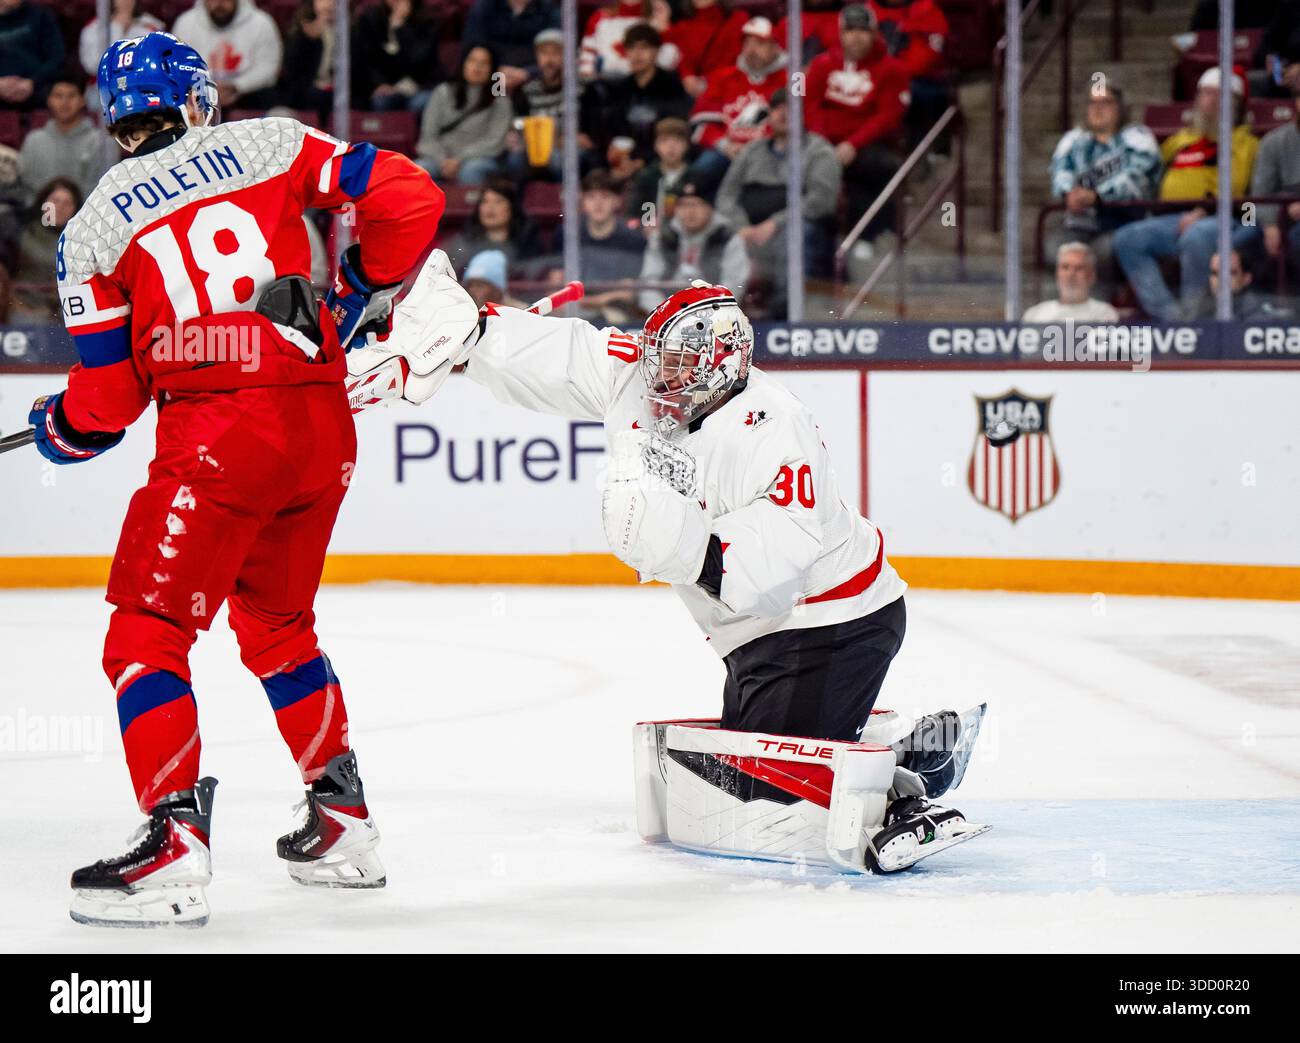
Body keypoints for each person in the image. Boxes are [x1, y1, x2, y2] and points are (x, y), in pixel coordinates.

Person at [360, 273, 988, 873]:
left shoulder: (774, 429)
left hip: (831, 624)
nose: (658, 376)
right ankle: (900, 740)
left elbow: (775, 572)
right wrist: (469, 334)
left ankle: (904, 797)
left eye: (677, 364)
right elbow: (565, 353)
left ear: (723, 362)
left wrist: (683, 549)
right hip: (756, 637)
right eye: (657, 358)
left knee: (762, 801)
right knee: (737, 773)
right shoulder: (647, 371)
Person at [31, 30, 442, 927]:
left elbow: (110, 399)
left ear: (115, 120)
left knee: (144, 633)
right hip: (319, 427)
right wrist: (357, 290)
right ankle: (343, 823)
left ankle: (174, 842)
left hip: (218, 435)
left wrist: (61, 430)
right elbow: (412, 196)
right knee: (278, 624)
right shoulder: (272, 140)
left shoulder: (94, 222)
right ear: (197, 98)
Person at [1113, 67, 1261, 322]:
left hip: (1226, 219)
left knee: (1196, 237)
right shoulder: (1179, 141)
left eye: (1219, 95)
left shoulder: (1245, 143)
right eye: (1205, 94)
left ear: (1235, 104)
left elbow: (1241, 191)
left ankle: (1195, 320)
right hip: (1173, 217)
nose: (1211, 101)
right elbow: (1155, 179)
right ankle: (1171, 318)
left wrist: (1203, 212)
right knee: (1128, 238)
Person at [715, 87, 841, 315]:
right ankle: (717, 312)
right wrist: (741, 227)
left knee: (795, 235)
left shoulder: (819, 150)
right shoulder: (751, 151)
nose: (783, 115)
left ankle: (785, 312)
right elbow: (726, 195)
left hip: (796, 227)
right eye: (777, 109)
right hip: (747, 228)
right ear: (769, 115)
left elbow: (821, 200)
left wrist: (775, 223)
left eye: (790, 110)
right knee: (714, 229)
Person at [804, 4, 909, 249]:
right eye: (850, 30)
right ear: (841, 34)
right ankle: (818, 236)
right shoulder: (822, 64)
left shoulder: (892, 69)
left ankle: (869, 235)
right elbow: (809, 105)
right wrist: (821, 142)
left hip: (867, 142)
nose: (856, 36)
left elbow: (888, 115)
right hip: (823, 142)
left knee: (878, 167)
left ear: (874, 33)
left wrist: (853, 144)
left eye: (863, 30)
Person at [1046, 81, 1160, 287]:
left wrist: (1098, 196)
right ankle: (1064, 314)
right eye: (1092, 103)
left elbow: (1138, 178)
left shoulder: (1137, 137)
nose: (1098, 109)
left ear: (1120, 107)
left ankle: (1100, 314)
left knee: (1101, 255)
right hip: (1079, 224)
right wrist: (1068, 193)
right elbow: (1059, 172)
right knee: (1056, 251)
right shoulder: (1074, 140)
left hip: (1124, 222)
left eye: (1106, 102)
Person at [689, 16, 789, 183]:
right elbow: (701, 121)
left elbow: (801, 120)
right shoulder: (723, 77)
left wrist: (762, 147)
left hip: (772, 151)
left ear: (776, 47)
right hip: (728, 150)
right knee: (696, 175)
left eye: (760, 44)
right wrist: (725, 145)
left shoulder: (793, 78)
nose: (751, 49)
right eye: (747, 43)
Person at [581, 24, 691, 175]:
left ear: (657, 51)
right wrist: (613, 151)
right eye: (631, 48)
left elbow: (677, 133)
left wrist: (642, 161)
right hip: (623, 159)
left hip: (659, 159)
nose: (637, 55)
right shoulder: (619, 89)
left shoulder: (672, 87)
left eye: (644, 48)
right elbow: (612, 129)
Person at [638, 179, 748, 312]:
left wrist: (703, 314)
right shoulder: (662, 237)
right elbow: (648, 284)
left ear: (710, 207)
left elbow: (734, 285)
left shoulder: (727, 237)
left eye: (697, 204)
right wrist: (666, 314)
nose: (690, 211)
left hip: (715, 314)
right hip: (667, 314)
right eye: (684, 205)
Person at [416, 45, 512, 185]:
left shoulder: (500, 100)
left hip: (479, 158)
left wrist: (459, 159)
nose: (477, 67)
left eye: (484, 63)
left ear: (493, 69)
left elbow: (495, 141)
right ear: (463, 64)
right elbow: (428, 137)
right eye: (472, 60)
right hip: (441, 158)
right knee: (418, 169)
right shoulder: (443, 92)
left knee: (471, 170)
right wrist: (443, 160)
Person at [173, 0, 284, 112]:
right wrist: (206, 88)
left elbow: (268, 69)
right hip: (197, 94)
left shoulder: (262, 23)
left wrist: (236, 86)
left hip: (248, 95)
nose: (219, 4)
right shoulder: (185, 23)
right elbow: (177, 66)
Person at [17, 75, 111, 203]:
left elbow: (104, 189)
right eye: (58, 96)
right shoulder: (33, 140)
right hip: (39, 217)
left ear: (82, 100)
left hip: (88, 217)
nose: (65, 102)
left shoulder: (101, 142)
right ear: (49, 100)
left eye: (71, 96)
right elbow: (26, 187)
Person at [1250, 83, 1300, 294]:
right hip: (1269, 215)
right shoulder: (1273, 141)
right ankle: (1249, 311)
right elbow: (1257, 195)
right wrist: (1270, 224)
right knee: (1238, 236)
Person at [353, 0, 441, 113]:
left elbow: (418, 61)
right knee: (381, 101)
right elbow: (368, 59)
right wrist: (380, 84)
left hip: (420, 85)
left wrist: (400, 28)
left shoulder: (427, 19)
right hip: (389, 85)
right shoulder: (372, 18)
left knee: (418, 104)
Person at [444, 176, 543, 275]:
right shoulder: (462, 243)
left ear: (512, 208)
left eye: (498, 201)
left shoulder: (528, 244)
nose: (490, 207)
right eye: (484, 202)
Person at [506, 28, 566, 181]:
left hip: (565, 147)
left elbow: (589, 130)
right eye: (544, 53)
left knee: (558, 159)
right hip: (533, 147)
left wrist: (574, 138)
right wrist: (517, 133)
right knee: (515, 159)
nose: (549, 60)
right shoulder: (527, 89)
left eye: (555, 53)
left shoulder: (581, 88)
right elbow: (518, 120)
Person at [664, 0, 748, 96]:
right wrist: (687, 76)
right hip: (692, 93)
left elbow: (733, 60)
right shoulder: (685, 26)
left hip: (726, 90)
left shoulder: (738, 19)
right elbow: (684, 57)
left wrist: (707, 80)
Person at [463, 0, 559, 83]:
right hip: (491, 79)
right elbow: (472, 47)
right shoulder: (485, 7)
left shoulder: (548, 10)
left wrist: (528, 73)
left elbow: (559, 53)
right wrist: (495, 71)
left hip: (535, 79)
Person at [1022, 242, 1120, 323]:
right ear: (1057, 273)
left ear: (1091, 276)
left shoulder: (1105, 314)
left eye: (1079, 268)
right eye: (1065, 267)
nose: (1071, 274)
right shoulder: (1034, 315)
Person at [579, 0, 677, 81]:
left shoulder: (658, 15)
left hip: (649, 88)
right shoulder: (600, 17)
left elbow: (669, 61)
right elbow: (587, 59)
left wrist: (665, 29)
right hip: (609, 86)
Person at [625, 116, 693, 228]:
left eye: (677, 141)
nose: (671, 147)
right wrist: (648, 224)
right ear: (656, 146)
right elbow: (637, 207)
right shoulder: (647, 176)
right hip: (651, 231)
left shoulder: (695, 176)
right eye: (664, 141)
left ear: (686, 145)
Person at [1192, 247, 1294, 320]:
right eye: (1215, 273)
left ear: (1246, 278)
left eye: (1231, 273)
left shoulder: (1262, 319)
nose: (1221, 280)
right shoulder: (1197, 312)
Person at [277, 0, 337, 118]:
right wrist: (309, 40)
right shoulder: (303, 28)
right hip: (307, 87)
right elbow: (292, 68)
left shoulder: (349, 28)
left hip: (336, 85)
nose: (328, 4)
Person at [0, 0, 64, 111]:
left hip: (37, 86)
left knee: (60, 95)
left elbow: (57, 57)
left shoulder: (40, 17)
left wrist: (33, 82)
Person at [79, 0, 165, 79]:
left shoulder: (152, 25)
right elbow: (93, 65)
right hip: (104, 86)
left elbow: (160, 62)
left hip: (142, 83)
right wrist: (118, 27)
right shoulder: (94, 28)